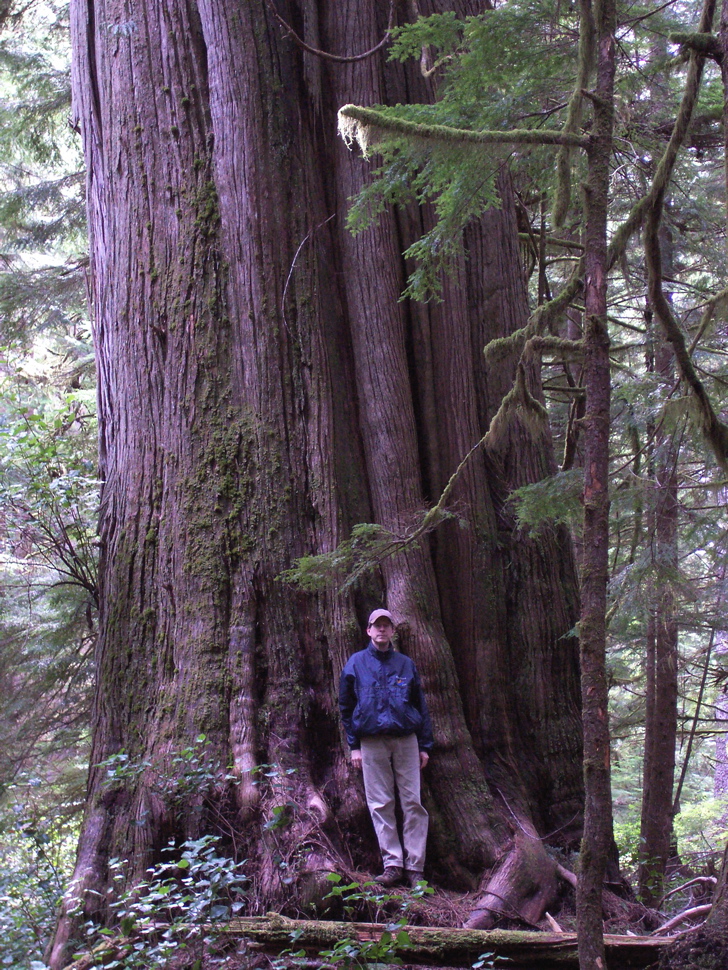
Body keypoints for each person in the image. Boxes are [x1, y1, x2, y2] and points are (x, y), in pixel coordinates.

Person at [339, 608, 433, 888]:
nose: (381, 630)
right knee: (380, 803)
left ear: (392, 631)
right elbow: (346, 707)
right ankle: (392, 864)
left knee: (413, 803)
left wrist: (424, 746)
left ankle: (415, 868)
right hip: (370, 742)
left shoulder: (405, 663)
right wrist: (354, 746)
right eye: (376, 626)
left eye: (386, 626)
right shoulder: (355, 664)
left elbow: (421, 705)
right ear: (368, 631)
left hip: (406, 740)